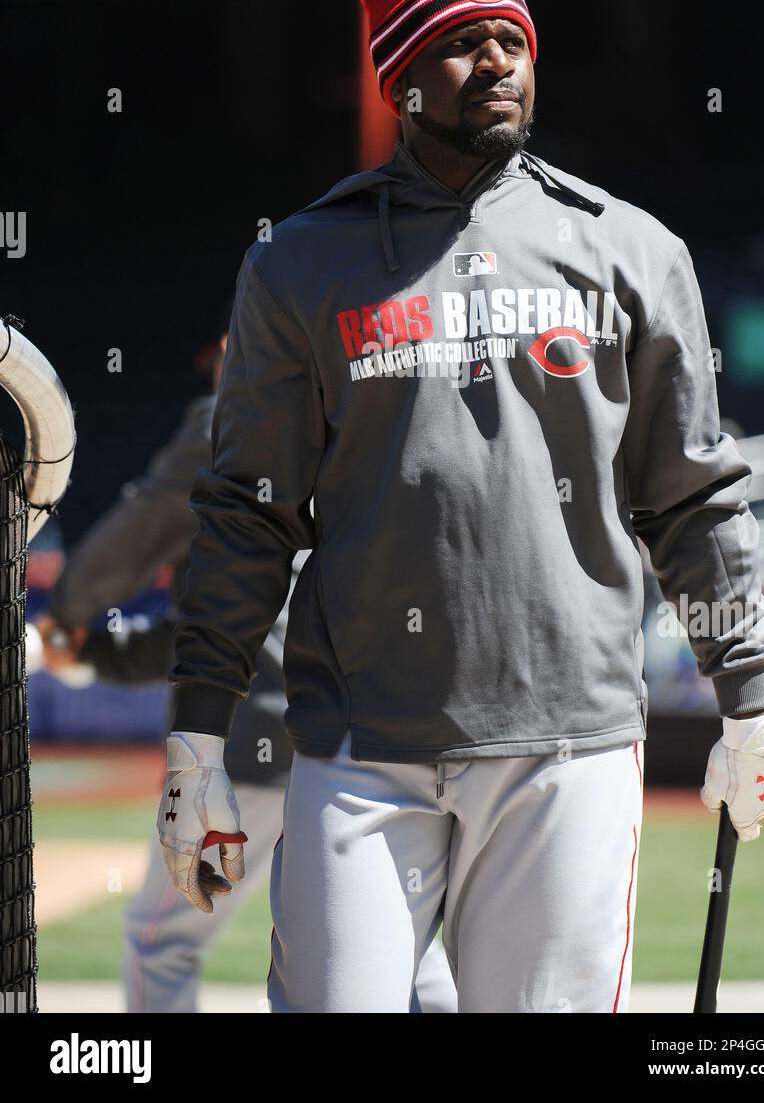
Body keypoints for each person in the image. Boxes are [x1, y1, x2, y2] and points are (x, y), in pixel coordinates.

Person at [159, 0, 764, 1014]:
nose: (495, 57)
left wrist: (747, 696)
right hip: (358, 744)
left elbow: (692, 499)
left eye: (510, 37)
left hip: (570, 740)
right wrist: (192, 737)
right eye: (458, 40)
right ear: (398, 78)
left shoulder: (630, 248)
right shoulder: (300, 264)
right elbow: (247, 511)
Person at [33, 308, 456, 1013]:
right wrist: (96, 654)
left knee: (159, 938)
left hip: (252, 743)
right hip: (371, 733)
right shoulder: (367, 419)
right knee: (401, 944)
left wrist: (70, 615)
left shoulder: (231, 422)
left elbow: (151, 547)